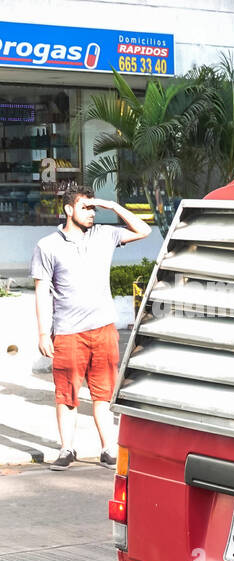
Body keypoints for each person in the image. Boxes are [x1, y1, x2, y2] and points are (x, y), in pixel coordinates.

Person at [31, 185, 152, 470]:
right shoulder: (47, 246)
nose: (91, 213)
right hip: (68, 331)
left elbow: (143, 230)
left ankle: (108, 449)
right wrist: (42, 332)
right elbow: (41, 291)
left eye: (94, 208)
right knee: (67, 395)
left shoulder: (105, 235)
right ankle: (67, 449)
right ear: (68, 209)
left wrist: (112, 205)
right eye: (85, 207)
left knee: (103, 393)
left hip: (103, 329)